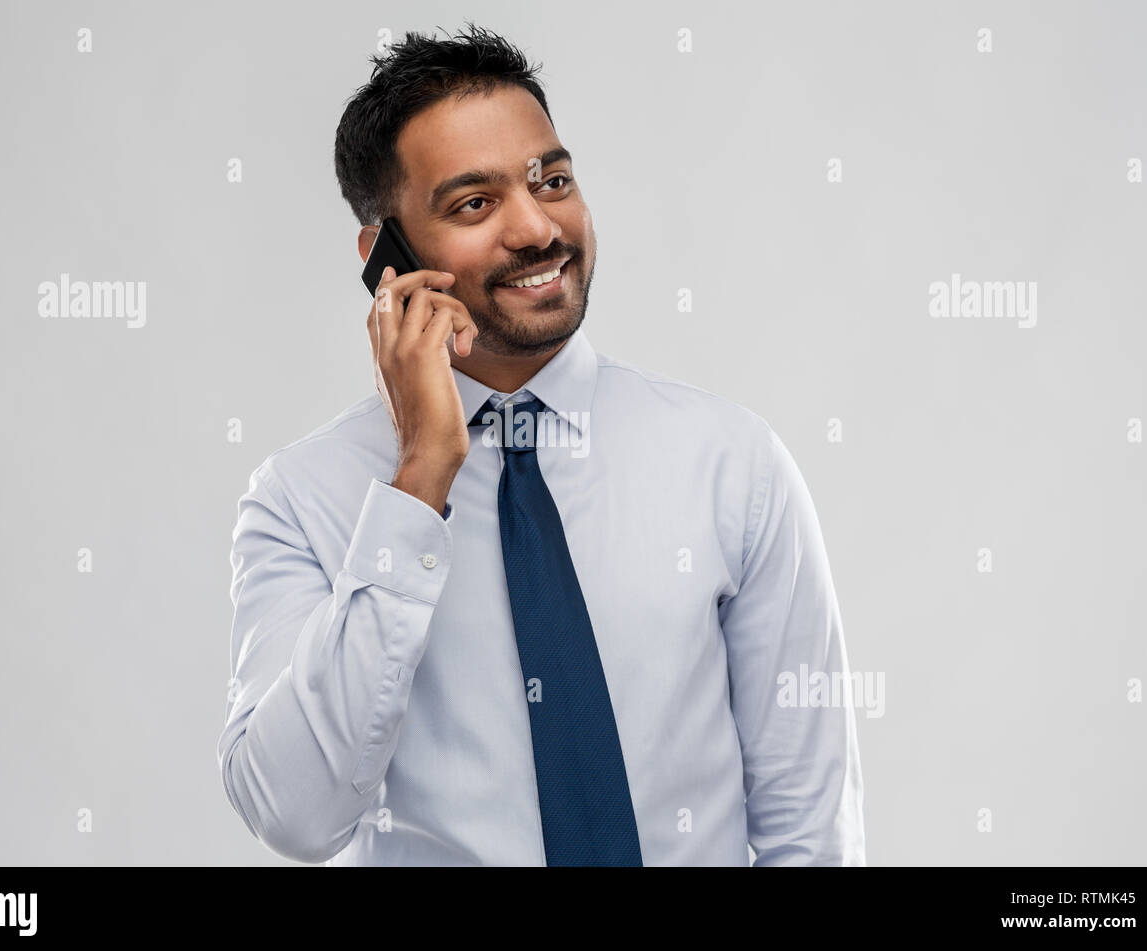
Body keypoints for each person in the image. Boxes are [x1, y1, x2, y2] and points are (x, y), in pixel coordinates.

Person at [217, 23, 866, 866]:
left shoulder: (731, 465)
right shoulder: (302, 500)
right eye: (475, 204)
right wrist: (420, 479)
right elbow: (295, 818)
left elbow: (808, 828)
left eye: (551, 180)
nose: (534, 229)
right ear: (388, 258)